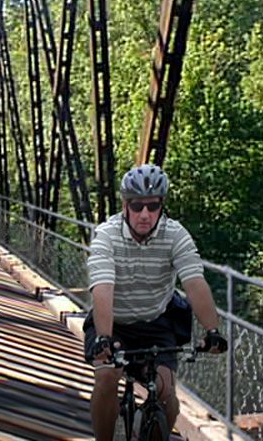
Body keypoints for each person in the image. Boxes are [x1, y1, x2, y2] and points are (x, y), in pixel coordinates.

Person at [83, 164, 227, 440]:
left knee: (164, 390)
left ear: (162, 206)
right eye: (137, 206)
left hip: (156, 321)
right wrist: (103, 336)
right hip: (116, 323)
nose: (145, 214)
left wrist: (212, 331)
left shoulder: (175, 234)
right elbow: (102, 288)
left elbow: (194, 282)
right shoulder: (107, 235)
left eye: (153, 206)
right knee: (106, 378)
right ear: (125, 205)